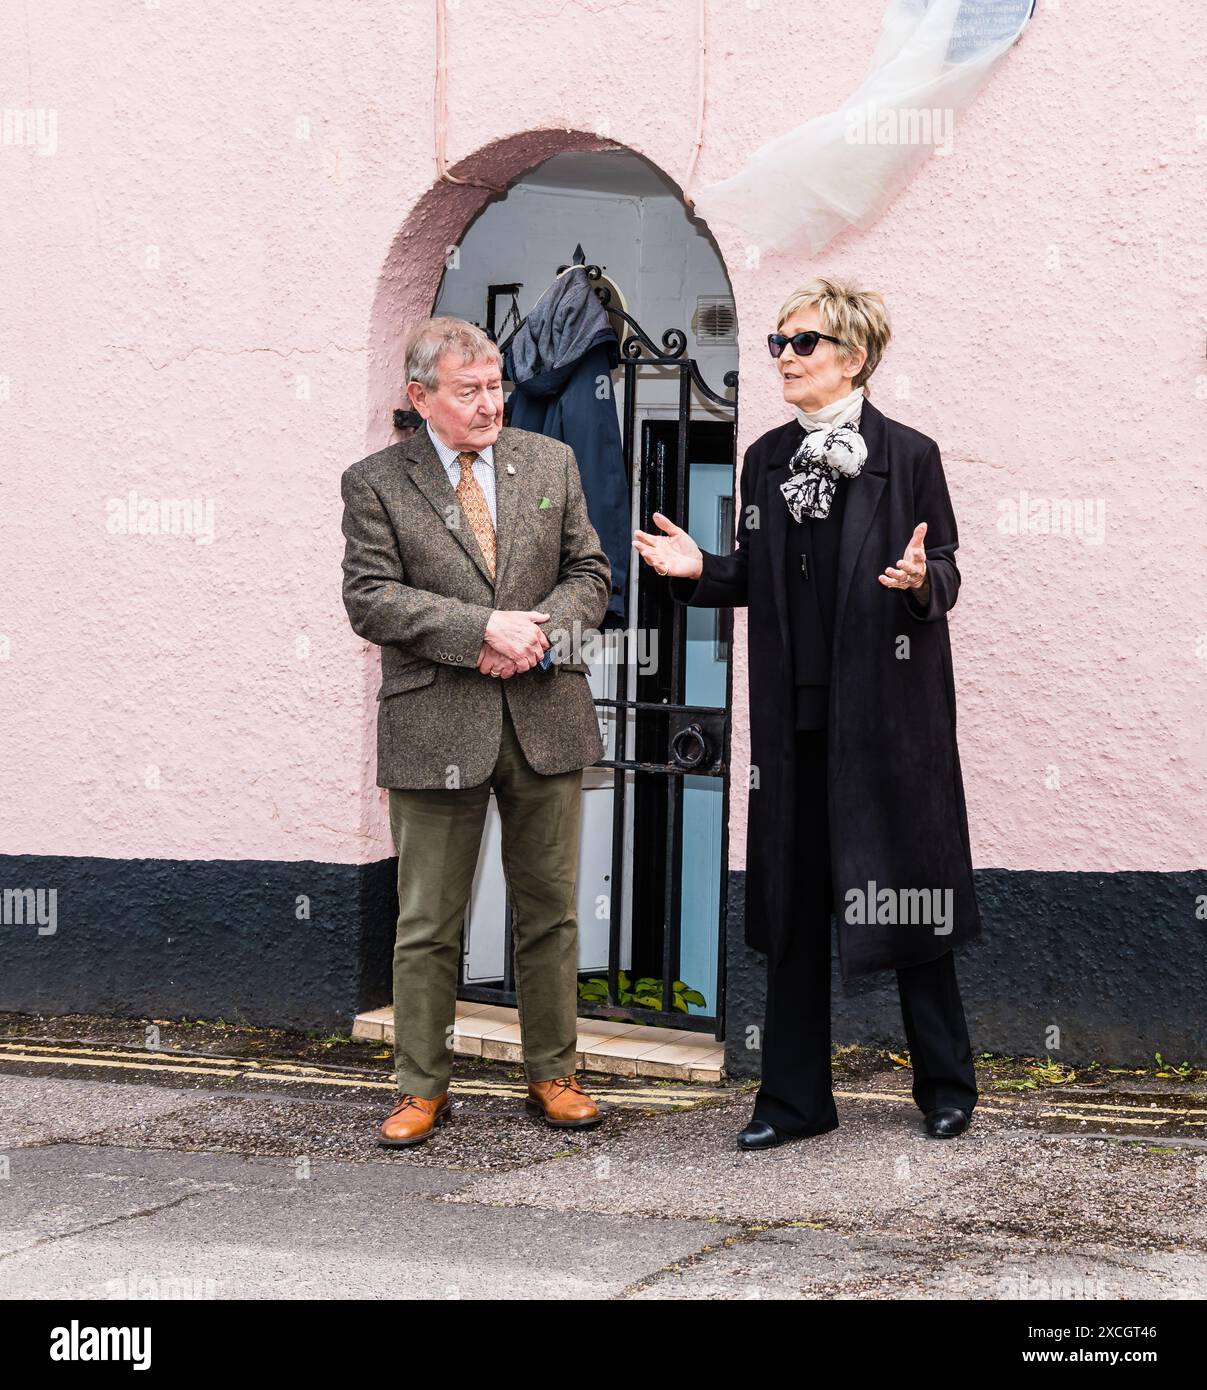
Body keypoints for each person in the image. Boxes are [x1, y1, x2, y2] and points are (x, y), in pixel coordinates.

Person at [633, 277, 980, 1147]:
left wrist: (918, 583)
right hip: (793, 729)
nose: (783, 357)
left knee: (909, 903)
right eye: (778, 343)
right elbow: (753, 573)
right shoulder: (764, 459)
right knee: (791, 913)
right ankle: (793, 1103)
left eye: (803, 343)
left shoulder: (911, 455)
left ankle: (945, 1086)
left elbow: (943, 568)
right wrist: (700, 571)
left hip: (888, 723)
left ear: (853, 357)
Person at [341, 316, 611, 1147]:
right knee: (428, 921)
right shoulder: (376, 481)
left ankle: (552, 1074)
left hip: (544, 718)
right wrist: (482, 630)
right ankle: (422, 1087)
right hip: (434, 726)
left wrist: (534, 635)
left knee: (550, 913)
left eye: (496, 386)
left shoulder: (550, 462)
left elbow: (590, 574)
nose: (491, 404)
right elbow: (370, 598)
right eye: (470, 392)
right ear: (421, 398)